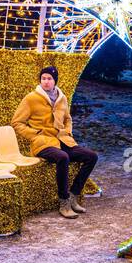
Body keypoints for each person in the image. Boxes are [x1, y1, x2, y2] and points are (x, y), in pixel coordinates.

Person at [11, 66, 98, 219]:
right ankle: (63, 202)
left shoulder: (61, 98)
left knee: (91, 156)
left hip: (62, 140)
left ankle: (73, 196)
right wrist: (35, 134)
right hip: (43, 143)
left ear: (55, 80)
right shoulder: (31, 98)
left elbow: (68, 118)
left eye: (49, 78)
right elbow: (17, 122)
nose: (46, 81)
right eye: (43, 78)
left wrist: (67, 132)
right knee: (63, 157)